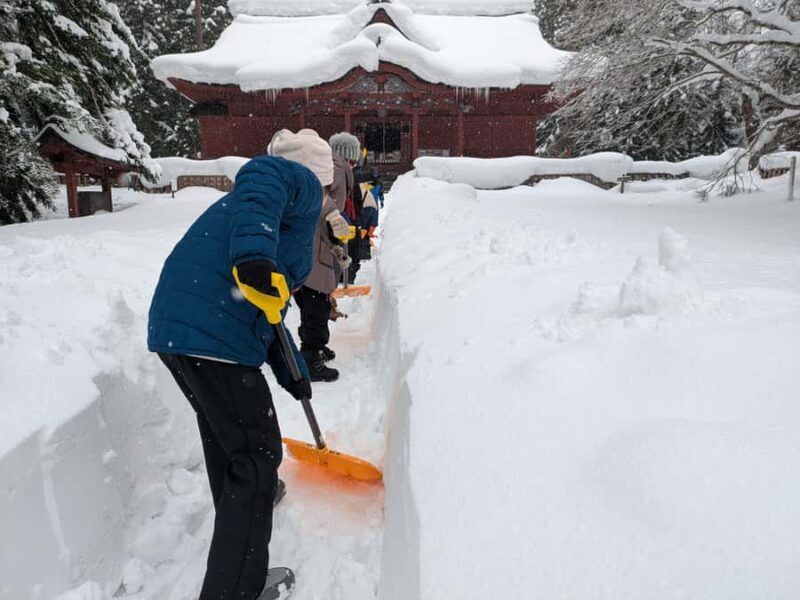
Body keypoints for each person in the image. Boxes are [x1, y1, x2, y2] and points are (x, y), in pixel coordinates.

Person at [147, 128, 334, 600]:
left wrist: (294, 372)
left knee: (226, 438)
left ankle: (249, 504)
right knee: (256, 453)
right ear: (320, 176)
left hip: (181, 329)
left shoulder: (271, 216)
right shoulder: (288, 178)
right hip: (212, 332)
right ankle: (237, 588)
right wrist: (254, 253)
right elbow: (263, 179)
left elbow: (265, 310)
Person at [293, 145, 353, 382]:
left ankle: (313, 347)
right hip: (314, 262)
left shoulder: (309, 192)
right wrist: (336, 225)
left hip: (311, 259)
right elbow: (331, 221)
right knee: (315, 311)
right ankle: (310, 356)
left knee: (313, 308)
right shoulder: (317, 194)